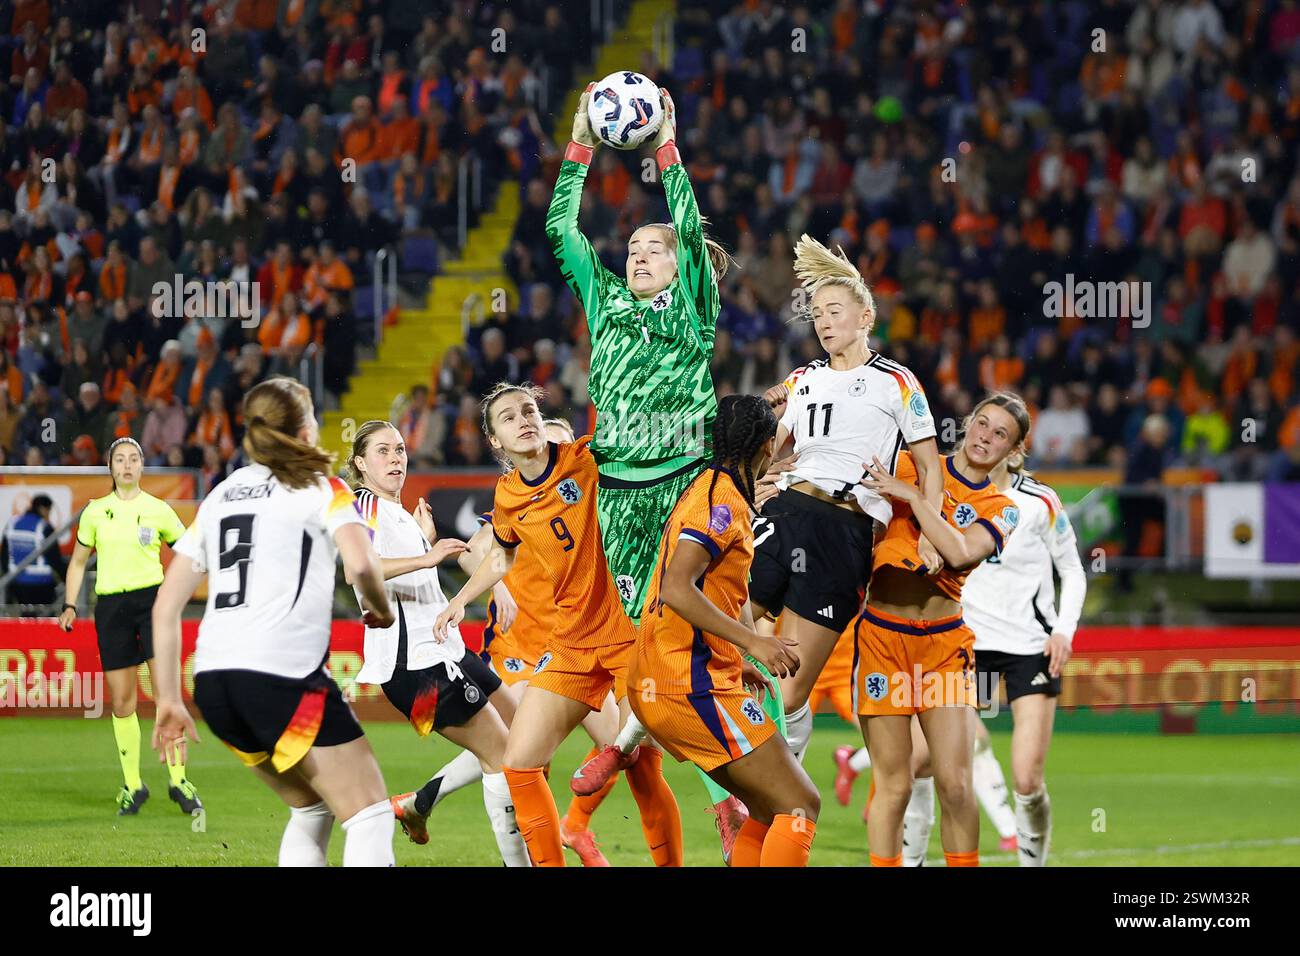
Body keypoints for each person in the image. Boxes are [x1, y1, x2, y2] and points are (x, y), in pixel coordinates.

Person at [550, 84, 732, 786]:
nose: (638, 256)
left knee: (698, 625)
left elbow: (688, 230)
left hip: (686, 481)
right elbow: (562, 232)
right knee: (646, 639)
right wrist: (580, 145)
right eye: (631, 248)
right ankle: (638, 743)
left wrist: (666, 145)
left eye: (651, 249)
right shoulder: (606, 303)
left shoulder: (693, 305)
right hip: (619, 493)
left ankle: (724, 789)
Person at [150, 378, 398, 867]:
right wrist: (382, 610)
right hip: (285, 682)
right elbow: (364, 566)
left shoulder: (222, 495)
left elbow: (165, 607)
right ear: (306, 427)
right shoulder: (323, 487)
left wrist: (168, 701)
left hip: (216, 688)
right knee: (369, 814)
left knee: (313, 806)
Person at [434, 383, 682, 867]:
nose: (523, 420)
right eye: (508, 417)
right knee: (519, 763)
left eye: (528, 410)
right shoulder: (507, 494)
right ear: (495, 441)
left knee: (642, 767)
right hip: (571, 638)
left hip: (626, 631)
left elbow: (653, 450)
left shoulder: (588, 457)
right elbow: (500, 557)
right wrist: (460, 599)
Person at [750, 234, 942, 767]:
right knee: (714, 626)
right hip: (786, 513)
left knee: (788, 692)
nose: (823, 321)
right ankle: (632, 741)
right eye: (816, 314)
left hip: (845, 531)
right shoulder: (801, 381)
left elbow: (929, 466)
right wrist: (759, 478)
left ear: (866, 317)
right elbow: (762, 448)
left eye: (835, 310)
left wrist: (929, 534)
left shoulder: (897, 383)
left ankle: (781, 801)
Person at [417, 417, 626, 866]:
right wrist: (500, 586)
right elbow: (480, 549)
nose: (547, 452)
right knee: (517, 751)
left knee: (622, 745)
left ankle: (573, 825)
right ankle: (434, 805)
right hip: (522, 646)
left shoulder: (591, 492)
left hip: (579, 639)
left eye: (559, 445)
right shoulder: (515, 499)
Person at [631, 394, 819, 867]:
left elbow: (719, 589)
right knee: (800, 804)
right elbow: (678, 587)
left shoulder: (715, 488)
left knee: (767, 805)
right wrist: (753, 640)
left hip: (672, 679)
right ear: (768, 446)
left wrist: (739, 659)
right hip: (687, 685)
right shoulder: (721, 505)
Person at [852, 392, 1031, 867]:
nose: (985, 438)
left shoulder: (1001, 507)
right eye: (982, 424)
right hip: (881, 638)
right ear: (968, 423)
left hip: (943, 646)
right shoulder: (910, 463)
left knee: (955, 781)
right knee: (893, 784)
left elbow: (959, 551)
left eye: (1000, 435)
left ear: (1012, 452)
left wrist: (914, 501)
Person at [344, 420, 530, 866]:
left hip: (447, 651)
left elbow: (411, 571)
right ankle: (520, 860)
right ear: (360, 463)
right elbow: (359, 568)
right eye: (383, 451)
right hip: (413, 668)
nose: (395, 458)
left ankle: (420, 803)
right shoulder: (364, 502)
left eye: (401, 450)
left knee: (524, 736)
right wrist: (427, 555)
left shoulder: (401, 514)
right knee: (504, 755)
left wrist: (425, 543)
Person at [58, 437, 200, 816]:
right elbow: (77, 563)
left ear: (142, 466)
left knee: (166, 695)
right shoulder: (94, 512)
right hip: (112, 606)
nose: (126, 465)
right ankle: (133, 785)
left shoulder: (159, 510)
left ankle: (179, 780)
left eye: (133, 458)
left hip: (153, 604)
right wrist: (71, 604)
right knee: (123, 702)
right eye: (119, 459)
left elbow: (188, 553)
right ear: (110, 467)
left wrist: (178, 592)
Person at [1, 493, 66, 611]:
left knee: (25, 616)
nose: (48, 516)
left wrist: (9, 579)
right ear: (43, 509)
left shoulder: (11, 524)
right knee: (44, 618)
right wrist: (66, 578)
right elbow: (55, 559)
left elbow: (4, 556)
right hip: (41, 584)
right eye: (48, 511)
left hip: (16, 583)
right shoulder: (44, 527)